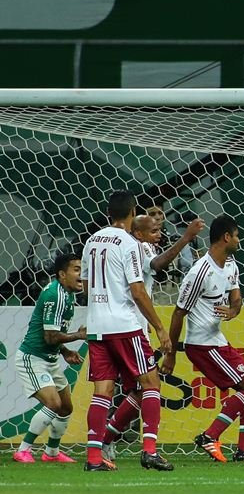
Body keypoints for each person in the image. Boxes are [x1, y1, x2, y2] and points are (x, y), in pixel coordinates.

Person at [159, 215, 244, 463]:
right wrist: (172, 353)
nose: (239, 241)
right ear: (226, 237)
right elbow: (178, 313)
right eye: (237, 235)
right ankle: (210, 436)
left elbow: (236, 300)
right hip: (202, 344)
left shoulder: (230, 264)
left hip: (216, 340)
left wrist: (233, 309)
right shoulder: (200, 271)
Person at [80, 190, 174, 471]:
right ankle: (149, 451)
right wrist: (160, 328)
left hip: (97, 326)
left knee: (102, 392)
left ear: (109, 213)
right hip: (124, 325)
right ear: (133, 213)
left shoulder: (91, 241)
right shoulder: (128, 243)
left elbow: (85, 288)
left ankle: (94, 458)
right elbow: (137, 290)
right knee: (151, 384)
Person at [100, 213, 205, 461]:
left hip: (114, 326)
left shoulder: (121, 248)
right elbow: (158, 264)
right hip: (130, 328)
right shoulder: (139, 247)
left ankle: (104, 440)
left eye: (160, 231)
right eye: (154, 232)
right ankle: (148, 450)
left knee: (136, 390)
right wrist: (187, 238)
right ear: (139, 234)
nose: (159, 236)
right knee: (150, 386)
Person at [12, 253, 86, 464]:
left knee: (65, 407)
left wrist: (65, 352)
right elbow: (50, 336)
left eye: (82, 269)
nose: (81, 274)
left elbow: (53, 333)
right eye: (76, 269)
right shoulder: (55, 295)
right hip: (32, 359)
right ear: (62, 274)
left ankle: (51, 453)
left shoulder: (67, 294)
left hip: (50, 359)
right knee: (53, 403)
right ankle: (23, 450)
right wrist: (78, 336)